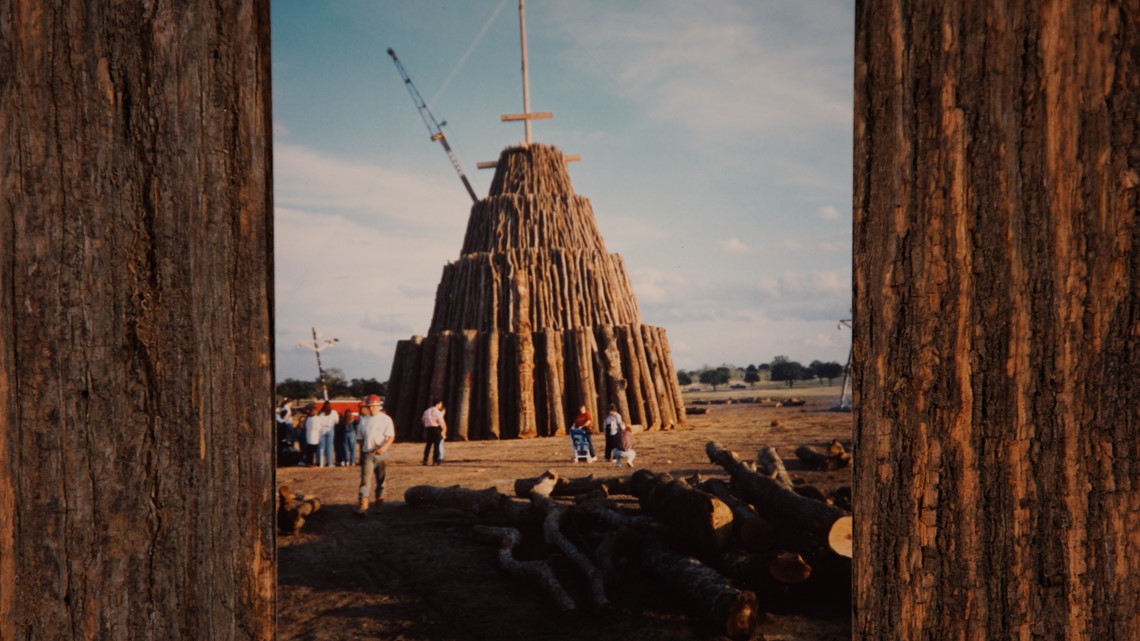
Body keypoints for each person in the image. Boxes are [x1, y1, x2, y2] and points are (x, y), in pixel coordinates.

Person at [356, 394, 395, 516]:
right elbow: (361, 439)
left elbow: (391, 436)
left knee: (381, 480)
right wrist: (361, 454)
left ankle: (379, 504)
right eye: (369, 406)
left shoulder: (386, 419)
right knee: (365, 480)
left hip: (381, 453)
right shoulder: (363, 420)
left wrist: (384, 448)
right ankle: (363, 507)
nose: (371, 409)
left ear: (378, 406)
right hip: (368, 453)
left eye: (373, 406)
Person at [421, 399, 447, 466]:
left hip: (428, 429)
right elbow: (441, 422)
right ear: (437, 404)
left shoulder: (426, 411)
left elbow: (423, 420)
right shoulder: (437, 412)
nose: (441, 405)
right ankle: (435, 461)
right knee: (436, 446)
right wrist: (443, 430)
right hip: (436, 429)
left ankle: (425, 460)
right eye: (440, 404)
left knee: (428, 445)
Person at [316, 401, 339, 467]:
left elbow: (318, 421)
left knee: (321, 447)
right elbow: (337, 421)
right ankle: (330, 462)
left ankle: (321, 463)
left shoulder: (321, 413)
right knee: (329, 446)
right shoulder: (334, 412)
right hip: (330, 428)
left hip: (322, 429)